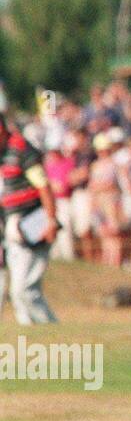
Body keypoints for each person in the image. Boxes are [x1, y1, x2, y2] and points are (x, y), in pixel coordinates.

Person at [0, 113, 60, 324]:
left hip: (33, 223)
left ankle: (51, 332)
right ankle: (31, 335)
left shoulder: (21, 150)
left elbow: (43, 186)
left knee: (25, 290)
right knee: (19, 293)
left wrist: (51, 221)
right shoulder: (4, 152)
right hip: (14, 226)